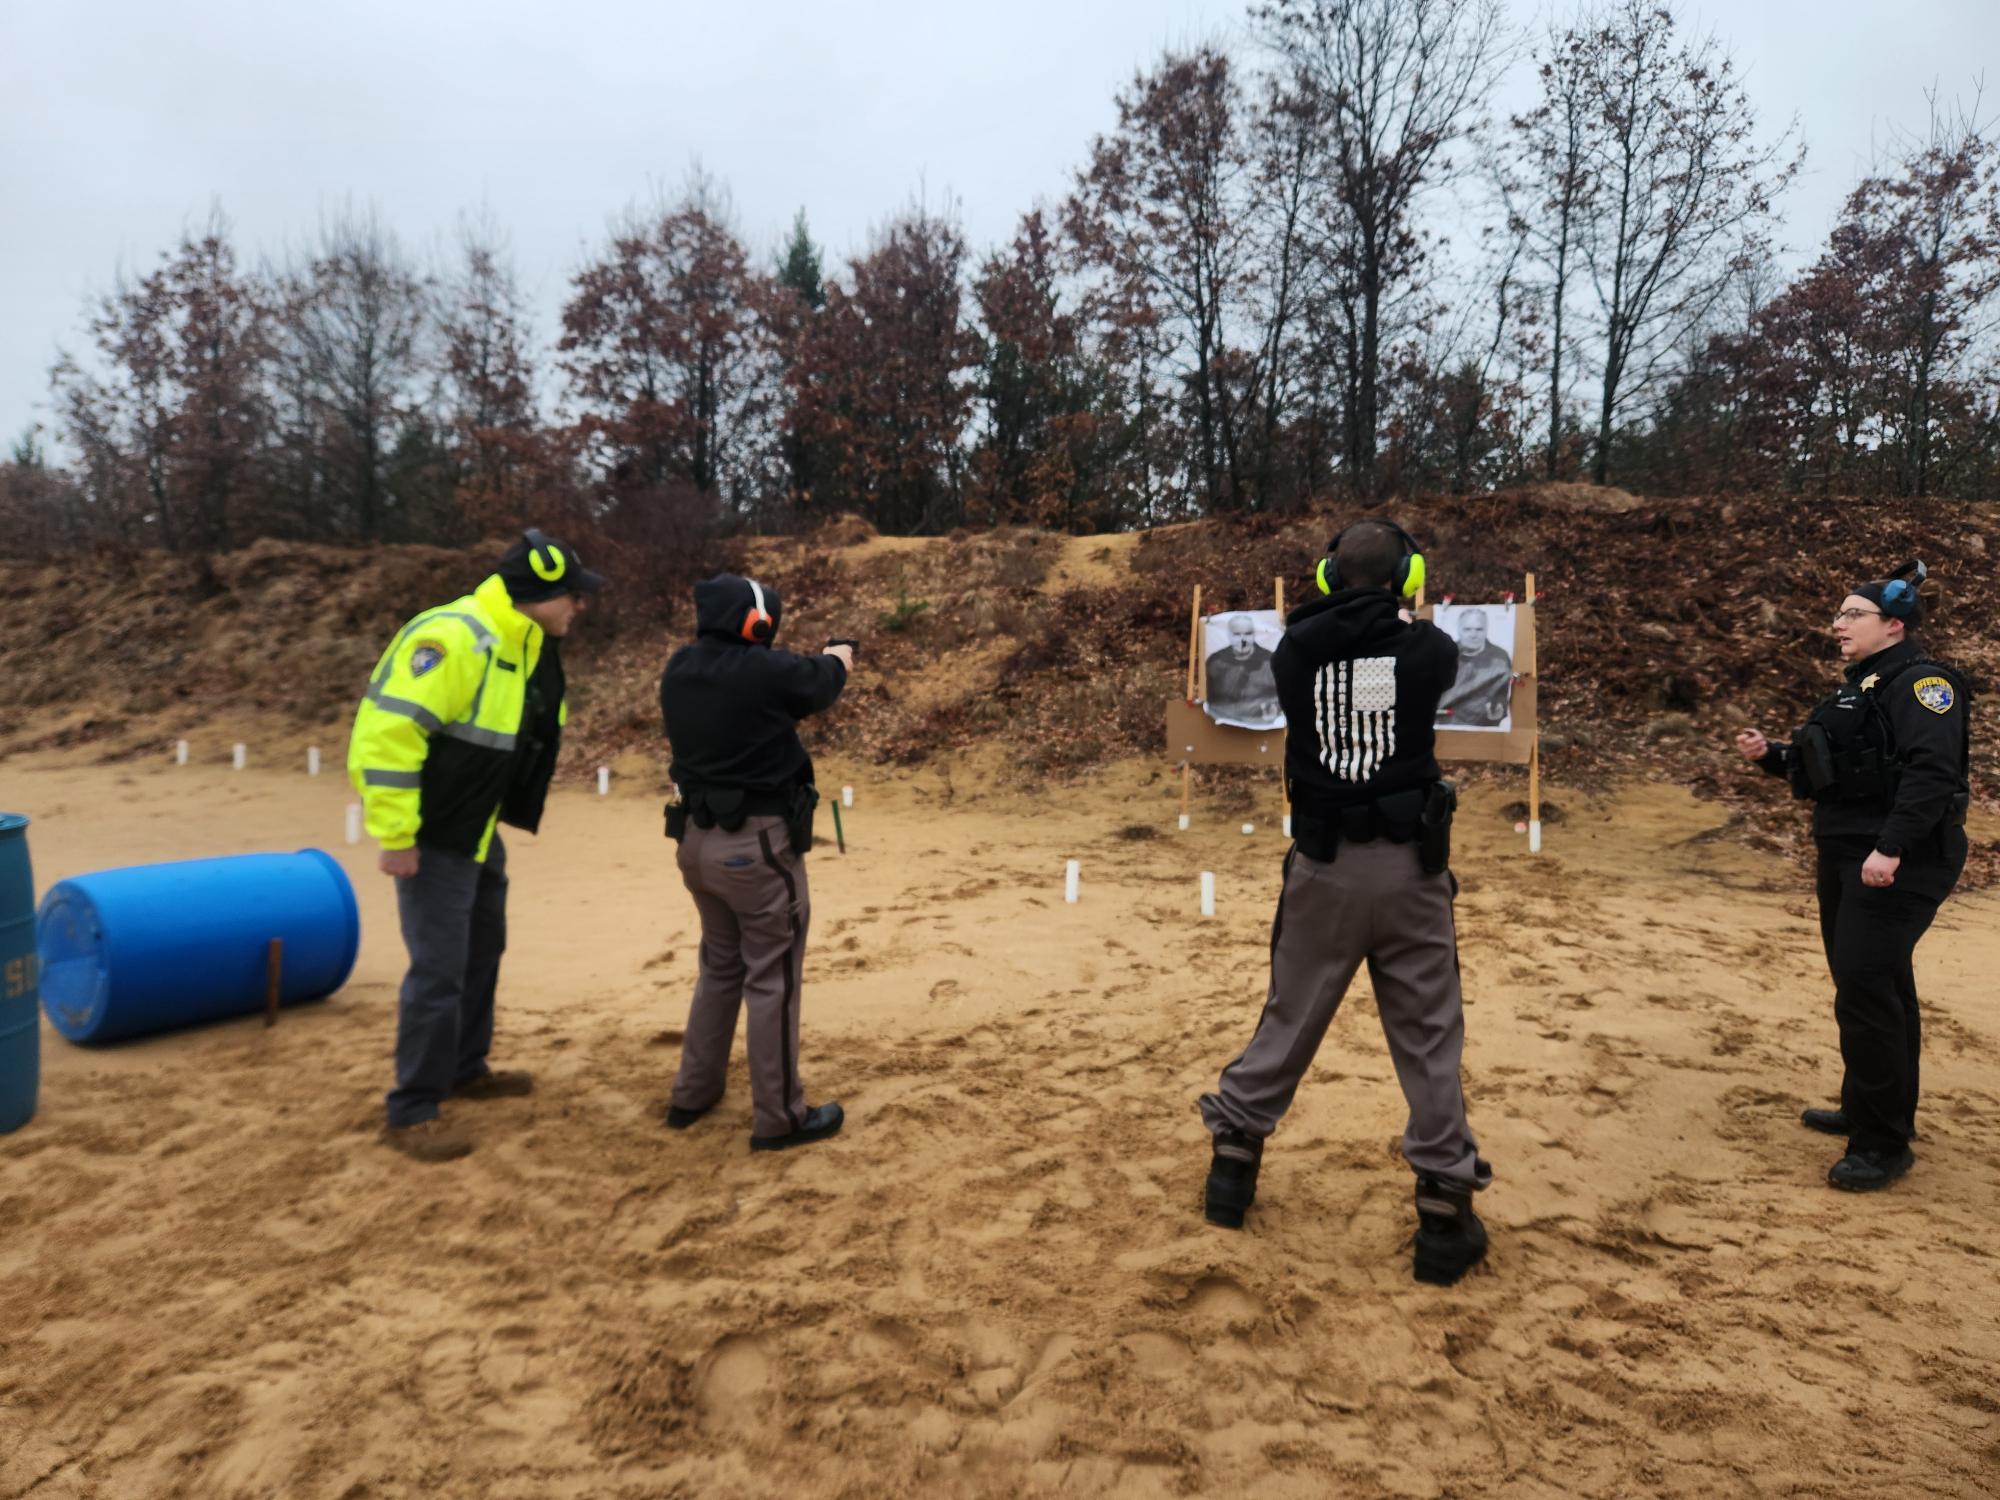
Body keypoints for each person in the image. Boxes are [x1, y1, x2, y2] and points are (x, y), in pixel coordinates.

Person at [1198, 519, 1492, 1286]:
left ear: (1328, 576)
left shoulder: (1295, 648)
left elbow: (1337, 644)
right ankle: (1443, 1206)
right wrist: (1398, 610)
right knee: (1429, 1034)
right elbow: (1400, 658)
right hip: (1409, 873)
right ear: (1411, 578)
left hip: (1323, 868)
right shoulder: (1428, 648)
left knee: (1290, 1014)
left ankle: (1233, 1161)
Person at [349, 528, 605, 1163]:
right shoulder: (453, 638)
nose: (580, 605)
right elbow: (386, 737)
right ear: (538, 593)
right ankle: (412, 1108)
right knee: (437, 971)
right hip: (432, 836)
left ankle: (465, 1067)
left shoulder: (526, 644)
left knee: (482, 947)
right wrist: (397, 836)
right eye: (573, 595)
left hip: (476, 831)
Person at [1734, 563, 1971, 1192]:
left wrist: (1891, 847)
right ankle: (1872, 1108)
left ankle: (1882, 1144)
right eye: (1839, 614)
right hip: (1847, 850)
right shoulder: (1860, 685)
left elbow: (1932, 773)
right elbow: (1836, 764)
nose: (1836, 624)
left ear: (1893, 624)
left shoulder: (1923, 685)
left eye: (1851, 615)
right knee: (1873, 983)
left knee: (1866, 989)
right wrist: (1774, 758)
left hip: (1897, 860)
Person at [659, 575, 853, 1151]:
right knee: (775, 978)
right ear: (757, 622)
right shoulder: (762, 672)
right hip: (758, 849)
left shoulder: (679, 668)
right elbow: (821, 683)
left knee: (721, 967)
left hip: (697, 844)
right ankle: (780, 1117)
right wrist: (839, 654)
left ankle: (693, 1093)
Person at [1435, 607, 1513, 727]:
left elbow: (1504, 694)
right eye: (1467, 629)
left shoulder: (1499, 658)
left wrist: (1497, 710)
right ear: (1459, 630)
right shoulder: (1445, 654)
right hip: (1445, 723)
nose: (1473, 635)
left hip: (1483, 727)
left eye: (1479, 629)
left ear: (1486, 630)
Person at [1206, 613, 1280, 723]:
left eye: (1248, 634)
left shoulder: (1270, 661)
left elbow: (1285, 693)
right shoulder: (1216, 661)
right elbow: (1209, 698)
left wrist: (1276, 708)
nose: (1243, 640)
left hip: (1261, 722)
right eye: (1237, 634)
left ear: (1254, 635)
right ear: (1229, 635)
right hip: (1223, 724)